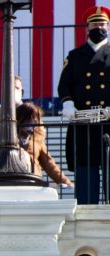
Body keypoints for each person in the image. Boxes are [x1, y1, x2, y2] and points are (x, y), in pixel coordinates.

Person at [58, 6, 110, 203]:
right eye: (95, 24)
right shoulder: (75, 56)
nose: (100, 27)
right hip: (83, 122)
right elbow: (64, 85)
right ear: (86, 28)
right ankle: (87, 208)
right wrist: (68, 104)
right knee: (85, 169)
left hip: (108, 122)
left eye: (103, 24)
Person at [18, 102, 72, 188]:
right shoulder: (10, 136)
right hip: (14, 180)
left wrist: (64, 181)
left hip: (33, 180)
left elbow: (49, 163)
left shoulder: (37, 139)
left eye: (36, 119)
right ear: (21, 118)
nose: (34, 122)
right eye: (30, 118)